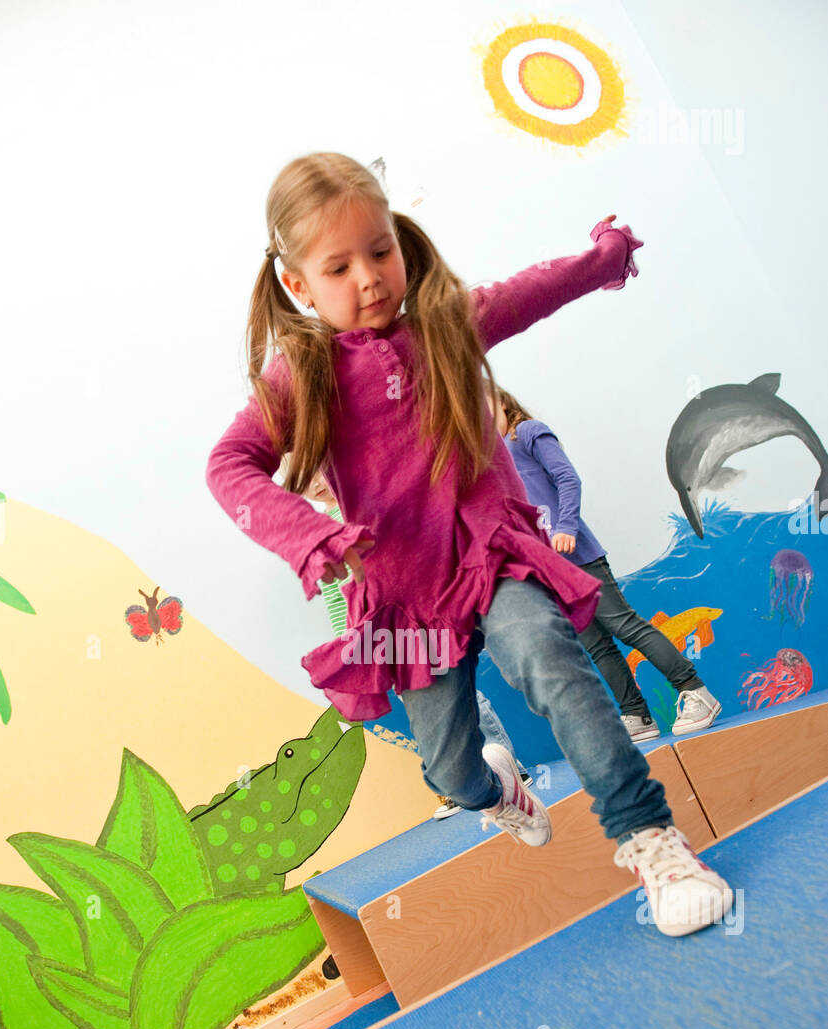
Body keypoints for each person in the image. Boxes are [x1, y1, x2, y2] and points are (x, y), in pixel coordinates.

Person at [206, 151, 733, 935]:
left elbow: (529, 293)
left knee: (549, 657)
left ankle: (652, 840)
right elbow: (228, 466)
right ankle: (499, 795)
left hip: (490, 557)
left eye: (380, 251)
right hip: (401, 593)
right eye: (338, 267)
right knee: (450, 768)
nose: (369, 278)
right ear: (297, 285)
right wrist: (311, 537)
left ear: (400, 241)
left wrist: (602, 258)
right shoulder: (302, 375)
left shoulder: (443, 327)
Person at [490, 387, 722, 741]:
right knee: (597, 645)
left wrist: (566, 526)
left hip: (575, 553)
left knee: (625, 625)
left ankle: (696, 692)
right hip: (548, 570)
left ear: (503, 402)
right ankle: (636, 714)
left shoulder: (527, 432)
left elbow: (567, 478)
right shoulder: (495, 459)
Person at [304, 469, 532, 818]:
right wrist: (350, 645)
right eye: (304, 484)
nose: (316, 486)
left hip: (420, 621)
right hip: (380, 638)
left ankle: (509, 765)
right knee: (423, 710)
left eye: (317, 473)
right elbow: (335, 598)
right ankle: (466, 780)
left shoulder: (362, 509)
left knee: (460, 696)